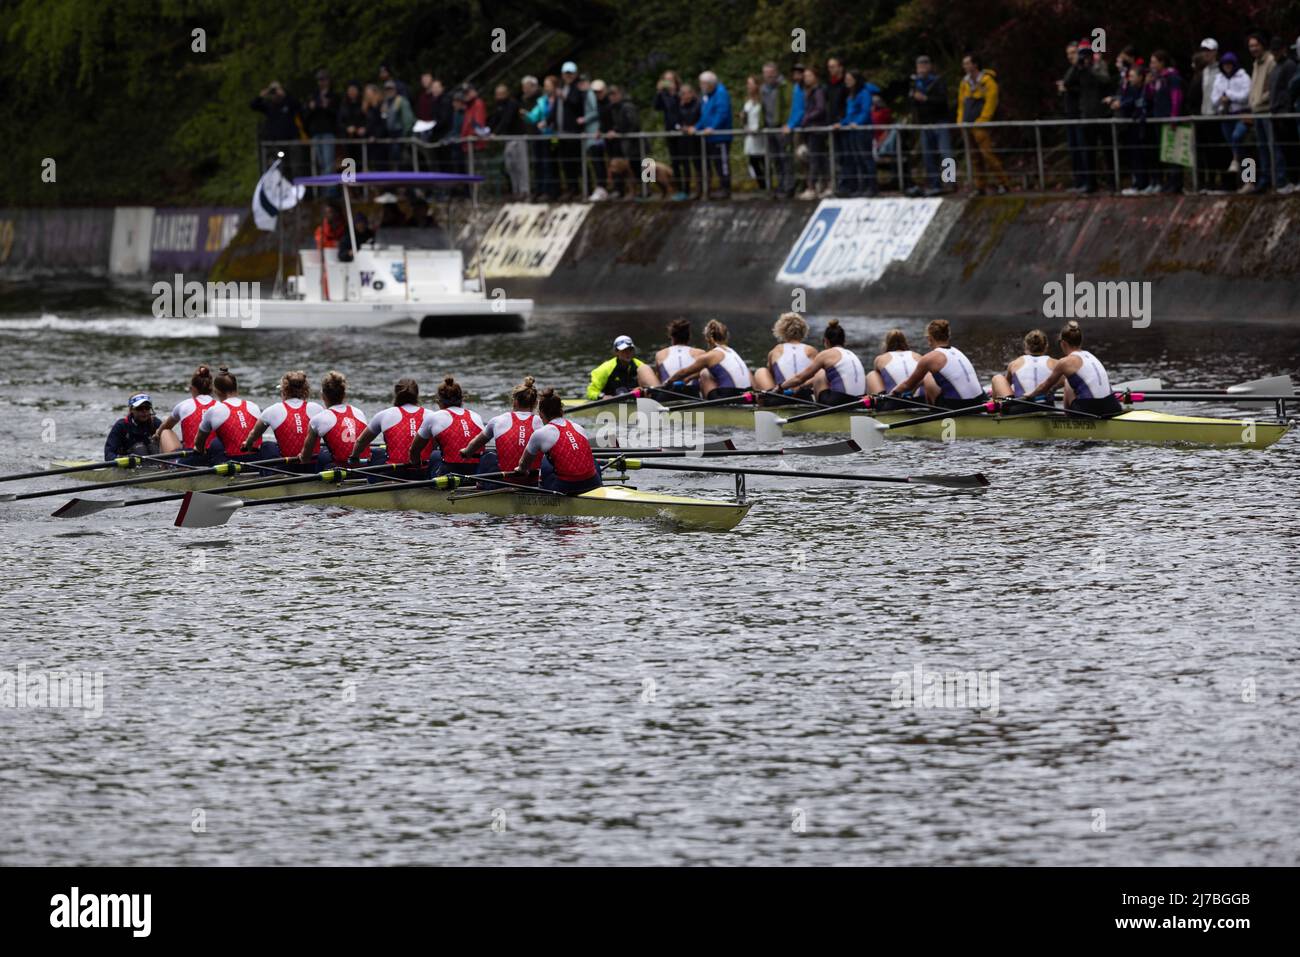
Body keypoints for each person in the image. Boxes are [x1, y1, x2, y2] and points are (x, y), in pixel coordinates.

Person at [1021, 321, 1123, 416]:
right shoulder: (1091, 356)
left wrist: (1030, 395)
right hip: (1113, 406)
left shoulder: (1065, 362)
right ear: (1080, 342)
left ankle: (1068, 418)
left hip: (1090, 410)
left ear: (1063, 343)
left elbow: (1044, 387)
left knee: (1067, 381)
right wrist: (1054, 388)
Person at [888, 319, 988, 412]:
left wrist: (892, 394)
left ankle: (933, 412)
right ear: (948, 336)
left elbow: (907, 385)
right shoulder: (958, 352)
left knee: (927, 377)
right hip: (980, 401)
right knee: (929, 376)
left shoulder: (929, 358)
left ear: (930, 338)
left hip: (958, 406)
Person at [459, 376, 545, 485]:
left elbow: (472, 447)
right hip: (533, 482)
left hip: (506, 481)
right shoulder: (542, 424)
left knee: (489, 456)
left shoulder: (497, 420)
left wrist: (465, 452)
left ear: (514, 402)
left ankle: (479, 485)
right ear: (535, 404)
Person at [514, 389, 602, 494]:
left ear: (541, 414)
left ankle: (542, 490)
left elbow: (524, 466)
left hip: (567, 488)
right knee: (592, 460)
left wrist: (521, 469)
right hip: (594, 483)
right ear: (561, 411)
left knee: (545, 459)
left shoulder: (540, 433)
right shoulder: (578, 427)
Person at [407, 376, 485, 477]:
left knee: (435, 454)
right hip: (478, 474)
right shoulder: (476, 416)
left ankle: (426, 481)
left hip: (450, 474)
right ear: (462, 399)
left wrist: (417, 466)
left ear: (439, 401)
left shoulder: (433, 417)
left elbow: (414, 450)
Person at [776, 319, 866, 405]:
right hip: (859, 401)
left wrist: (780, 387)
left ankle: (819, 407)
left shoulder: (826, 354)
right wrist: (801, 387)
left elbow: (799, 378)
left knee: (820, 373)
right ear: (844, 341)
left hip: (838, 402)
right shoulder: (852, 355)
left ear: (826, 341)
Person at [241, 370, 324, 461]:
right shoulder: (318, 408)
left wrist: (247, 444)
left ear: (284, 391)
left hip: (287, 466)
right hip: (314, 465)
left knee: (267, 446)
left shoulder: (273, 410)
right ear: (305, 390)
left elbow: (254, 435)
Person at [957, 53, 1010, 194]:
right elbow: (961, 104)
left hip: (980, 125)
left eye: (967, 63)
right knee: (975, 157)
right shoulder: (964, 83)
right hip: (967, 124)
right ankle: (980, 186)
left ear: (975, 64)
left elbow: (991, 103)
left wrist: (983, 120)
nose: (965, 66)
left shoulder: (987, 81)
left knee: (988, 155)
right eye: (964, 64)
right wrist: (960, 121)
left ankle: (1003, 183)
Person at [663, 319, 752, 398]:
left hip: (727, 397)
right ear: (726, 336)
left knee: (704, 373)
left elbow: (684, 372)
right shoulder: (733, 352)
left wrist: (668, 382)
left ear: (708, 339)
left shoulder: (710, 356)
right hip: (746, 396)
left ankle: (709, 405)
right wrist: (689, 378)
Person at [350, 378, 428, 469]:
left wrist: (354, 458)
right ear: (417, 394)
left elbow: (361, 442)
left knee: (377, 452)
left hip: (393, 472)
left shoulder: (384, 415)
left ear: (396, 394)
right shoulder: (431, 415)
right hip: (425, 471)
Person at [299, 371, 368, 466]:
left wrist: (302, 457)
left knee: (322, 453)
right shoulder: (359, 412)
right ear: (344, 394)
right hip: (366, 466)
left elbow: (305, 458)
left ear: (323, 395)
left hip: (342, 469)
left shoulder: (318, 419)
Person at [193, 368, 262, 462]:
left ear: (217, 391)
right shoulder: (254, 406)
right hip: (258, 460)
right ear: (236, 388)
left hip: (232, 462)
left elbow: (198, 443)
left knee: (215, 443)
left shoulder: (213, 410)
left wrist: (202, 453)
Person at [907, 55, 950, 197]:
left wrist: (926, 98)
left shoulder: (938, 81)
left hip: (940, 120)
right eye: (919, 66)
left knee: (945, 153)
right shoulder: (915, 84)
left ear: (930, 66)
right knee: (928, 155)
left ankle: (950, 181)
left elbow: (943, 100)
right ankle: (934, 183)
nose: (922, 69)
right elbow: (912, 104)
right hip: (925, 123)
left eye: (924, 66)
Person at [990, 330, 1059, 412]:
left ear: (1026, 345)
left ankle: (993, 409)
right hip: (1048, 407)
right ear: (1046, 346)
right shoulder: (1056, 363)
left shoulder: (1014, 363)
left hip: (1019, 409)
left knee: (997, 378)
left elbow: (1006, 387)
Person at [153, 363, 216, 453]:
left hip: (190, 457)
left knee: (165, 432)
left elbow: (165, 426)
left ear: (192, 388)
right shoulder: (221, 406)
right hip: (215, 457)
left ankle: (163, 462)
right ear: (212, 388)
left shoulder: (184, 405)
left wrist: (156, 435)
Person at [752, 312, 817, 398]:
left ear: (781, 330)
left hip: (781, 396)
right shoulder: (811, 350)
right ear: (804, 330)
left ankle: (760, 402)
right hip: (805, 396)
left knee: (761, 371)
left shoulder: (776, 350)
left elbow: (772, 377)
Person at [1146, 51, 1184, 194]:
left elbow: (1176, 97)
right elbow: (1151, 96)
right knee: (1165, 152)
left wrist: (1174, 116)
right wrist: (1148, 84)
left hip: (1169, 118)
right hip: (1158, 117)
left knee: (1174, 151)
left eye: (1154, 62)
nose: (1151, 65)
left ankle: (1176, 181)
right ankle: (1169, 180)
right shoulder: (1158, 78)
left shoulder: (1172, 77)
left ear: (1162, 62)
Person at [866, 329, 933, 409]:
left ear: (886, 344)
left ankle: (877, 405)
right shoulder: (918, 356)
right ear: (905, 343)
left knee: (872, 374)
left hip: (894, 402)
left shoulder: (880, 358)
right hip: (921, 401)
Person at [1247, 34, 1278, 194]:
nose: (1253, 49)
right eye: (1250, 46)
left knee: (1270, 146)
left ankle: (1275, 179)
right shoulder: (1255, 64)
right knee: (1251, 146)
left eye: (1255, 45)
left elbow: (1271, 88)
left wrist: (1258, 101)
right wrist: (1252, 103)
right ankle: (1252, 180)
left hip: (1264, 111)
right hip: (1253, 113)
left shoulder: (1270, 61)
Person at [695, 71, 733, 198]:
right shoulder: (707, 95)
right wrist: (696, 127)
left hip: (720, 136)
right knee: (716, 163)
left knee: (722, 164)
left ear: (710, 84)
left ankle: (726, 188)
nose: (701, 86)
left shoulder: (720, 93)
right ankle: (721, 187)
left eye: (702, 83)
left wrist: (713, 127)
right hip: (711, 137)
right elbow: (705, 115)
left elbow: (722, 113)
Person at [1213, 53, 1251, 174]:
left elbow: (1245, 96)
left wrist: (1229, 96)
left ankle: (1237, 163)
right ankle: (1246, 178)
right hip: (1225, 116)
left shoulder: (1243, 76)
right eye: (1225, 64)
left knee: (1237, 137)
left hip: (1242, 115)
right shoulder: (1219, 78)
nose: (1227, 66)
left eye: (1230, 64)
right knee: (1236, 147)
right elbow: (1213, 99)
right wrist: (1221, 99)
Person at [586, 334, 657, 398]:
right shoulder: (604, 369)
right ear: (616, 352)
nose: (628, 353)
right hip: (610, 403)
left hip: (632, 401)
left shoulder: (641, 367)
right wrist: (602, 396)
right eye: (624, 350)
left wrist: (642, 390)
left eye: (630, 349)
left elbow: (651, 387)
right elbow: (590, 392)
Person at [654, 71, 688, 198]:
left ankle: (686, 189)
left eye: (670, 80)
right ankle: (678, 189)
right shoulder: (664, 94)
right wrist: (659, 92)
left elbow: (676, 107)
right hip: (669, 131)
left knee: (684, 161)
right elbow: (657, 107)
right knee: (675, 162)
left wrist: (673, 93)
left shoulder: (681, 93)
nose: (668, 83)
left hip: (682, 131)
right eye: (666, 80)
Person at [104, 394, 168, 460]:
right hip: (130, 462)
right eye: (139, 408)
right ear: (131, 410)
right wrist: (124, 458)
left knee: (153, 447)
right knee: (140, 449)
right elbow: (108, 455)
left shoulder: (156, 423)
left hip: (154, 459)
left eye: (147, 408)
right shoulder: (121, 426)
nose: (144, 411)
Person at [654, 319, 708, 395]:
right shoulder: (701, 353)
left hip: (667, 394)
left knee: (644, 369)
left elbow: (659, 380)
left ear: (672, 337)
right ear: (689, 337)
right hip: (692, 394)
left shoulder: (660, 354)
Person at [799, 66, 829, 199]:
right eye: (805, 76)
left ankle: (812, 187)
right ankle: (824, 185)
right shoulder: (808, 92)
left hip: (816, 129)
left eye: (809, 76)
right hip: (812, 129)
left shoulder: (818, 91)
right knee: (820, 158)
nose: (806, 79)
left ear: (815, 77)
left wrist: (807, 117)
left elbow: (820, 108)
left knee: (815, 158)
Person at [304, 69, 339, 181]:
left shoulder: (334, 96)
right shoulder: (313, 96)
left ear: (328, 81)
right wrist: (310, 108)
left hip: (328, 132)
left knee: (329, 162)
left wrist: (327, 106)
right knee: (320, 163)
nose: (321, 82)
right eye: (319, 80)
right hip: (316, 133)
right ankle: (324, 187)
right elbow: (305, 115)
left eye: (324, 79)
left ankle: (330, 189)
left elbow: (338, 115)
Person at [677, 84, 703, 198]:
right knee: (685, 164)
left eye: (687, 93)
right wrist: (681, 127)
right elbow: (677, 121)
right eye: (682, 94)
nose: (685, 96)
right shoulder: (680, 106)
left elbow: (701, 117)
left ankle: (700, 190)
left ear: (692, 93)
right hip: (684, 139)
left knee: (698, 165)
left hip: (696, 138)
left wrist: (693, 127)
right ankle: (686, 190)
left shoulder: (698, 104)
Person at [743, 76, 766, 187]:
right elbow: (746, 117)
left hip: (760, 135)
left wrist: (758, 128)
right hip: (750, 135)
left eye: (751, 83)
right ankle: (762, 185)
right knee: (753, 161)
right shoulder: (747, 101)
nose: (749, 86)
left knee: (763, 160)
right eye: (748, 83)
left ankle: (767, 184)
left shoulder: (761, 101)